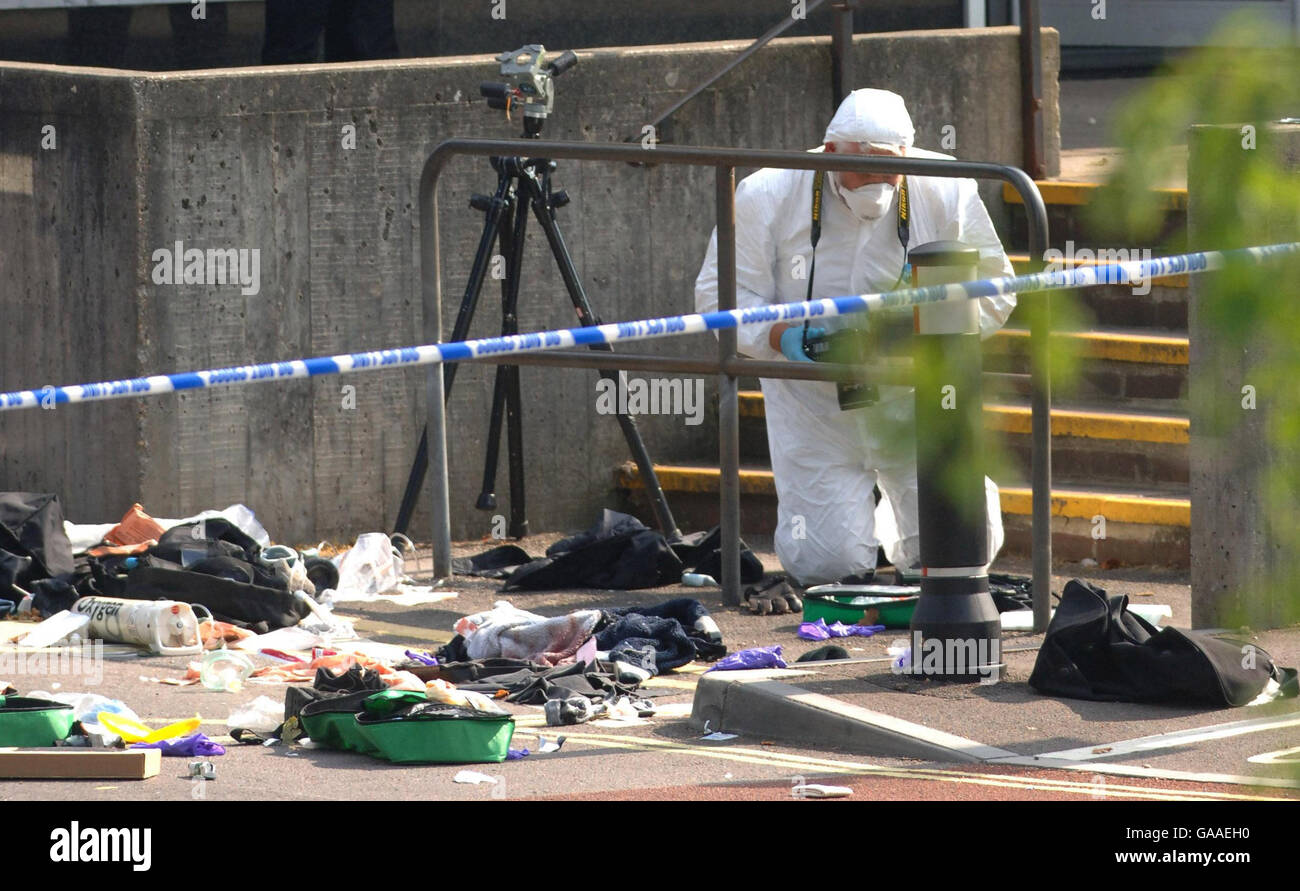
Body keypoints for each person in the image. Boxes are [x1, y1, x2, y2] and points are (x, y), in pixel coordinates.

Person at [694, 88, 1015, 587]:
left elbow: (997, 291)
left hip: (914, 392)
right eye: (861, 169)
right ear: (828, 154)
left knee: (961, 549)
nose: (875, 183)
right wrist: (785, 337)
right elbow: (720, 296)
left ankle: (903, 533)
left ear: (907, 158)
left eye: (888, 170)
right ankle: (859, 532)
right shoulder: (768, 191)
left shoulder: (945, 185)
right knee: (826, 567)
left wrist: (913, 333)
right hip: (811, 401)